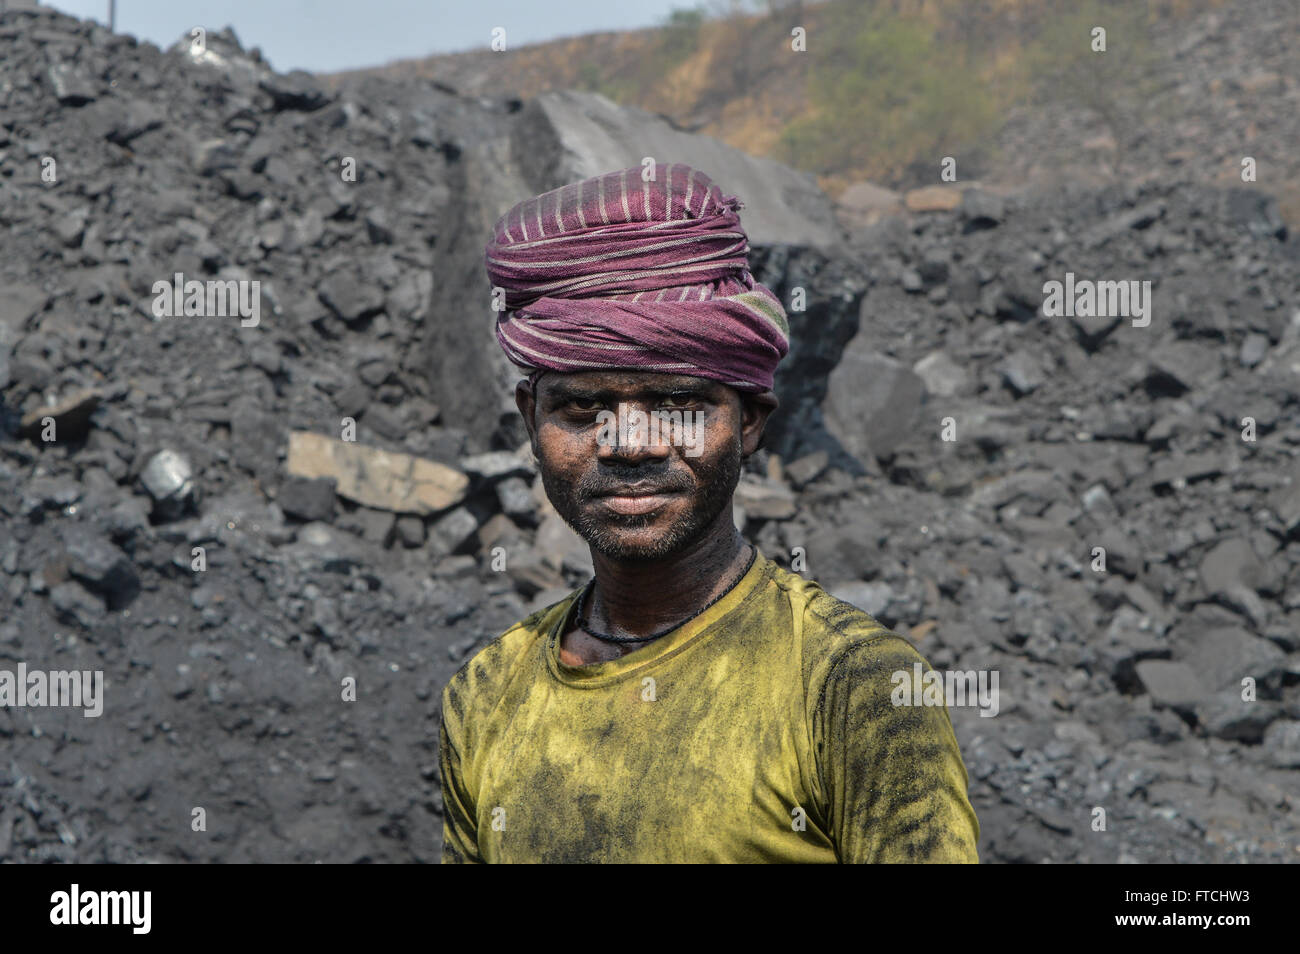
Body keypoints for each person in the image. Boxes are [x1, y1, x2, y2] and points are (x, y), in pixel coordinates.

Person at [439, 162, 979, 862]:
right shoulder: (485, 695)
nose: (629, 444)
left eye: (677, 406)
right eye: (583, 408)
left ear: (749, 421)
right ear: (531, 419)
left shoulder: (851, 686)